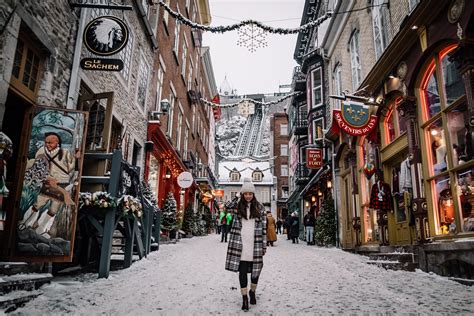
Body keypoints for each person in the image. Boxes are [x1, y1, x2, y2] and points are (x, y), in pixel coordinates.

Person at [19, 132, 78, 238]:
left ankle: (42, 229)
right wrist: (47, 178)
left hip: (62, 185)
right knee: (37, 204)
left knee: (53, 210)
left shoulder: (65, 153)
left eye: (50, 142)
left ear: (57, 142)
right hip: (47, 183)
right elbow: (37, 167)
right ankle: (26, 222)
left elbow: (71, 168)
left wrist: (77, 158)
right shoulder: (41, 151)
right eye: (46, 142)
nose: (47, 144)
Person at [225, 178, 266, 311]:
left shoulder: (260, 208)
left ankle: (252, 292)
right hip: (240, 244)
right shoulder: (237, 207)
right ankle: (244, 297)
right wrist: (237, 195)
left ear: (253, 195)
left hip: (256, 243)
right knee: (242, 272)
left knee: (256, 272)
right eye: (245, 193)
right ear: (243, 194)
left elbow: (264, 228)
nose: (248, 196)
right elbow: (226, 207)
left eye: (250, 193)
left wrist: (264, 245)